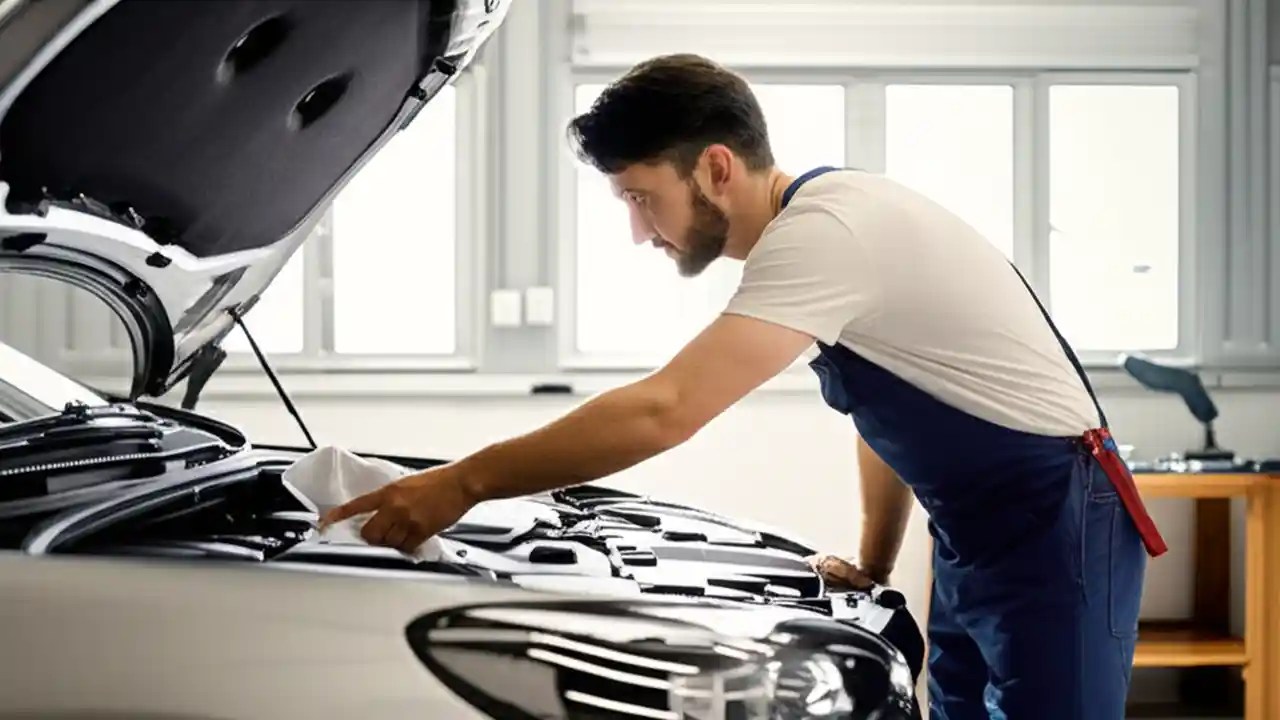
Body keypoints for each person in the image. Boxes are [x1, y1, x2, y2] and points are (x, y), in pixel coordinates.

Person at [322, 53, 1167, 719]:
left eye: (641, 197)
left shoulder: (826, 232)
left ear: (715, 167)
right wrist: (873, 563)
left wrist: (462, 483)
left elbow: (666, 409)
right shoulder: (824, 228)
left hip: (1060, 523)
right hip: (982, 527)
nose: (636, 231)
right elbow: (886, 412)